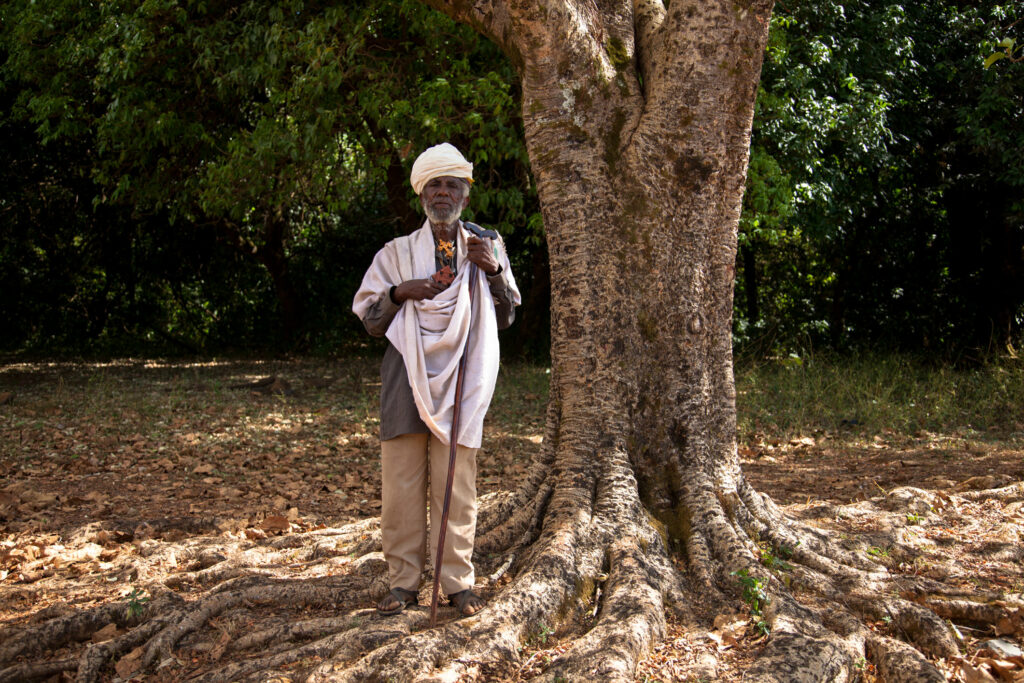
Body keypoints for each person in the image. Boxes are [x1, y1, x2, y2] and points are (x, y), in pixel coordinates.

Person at [352, 143, 520, 617]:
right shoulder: (397, 253)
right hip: (405, 374)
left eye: (451, 185)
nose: (443, 192)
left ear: (465, 194)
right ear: (421, 193)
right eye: (435, 185)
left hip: (464, 373)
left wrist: (492, 269)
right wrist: (401, 292)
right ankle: (403, 583)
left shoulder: (486, 244)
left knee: (456, 481)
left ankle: (458, 583)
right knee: (401, 482)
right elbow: (371, 320)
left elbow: (506, 316)